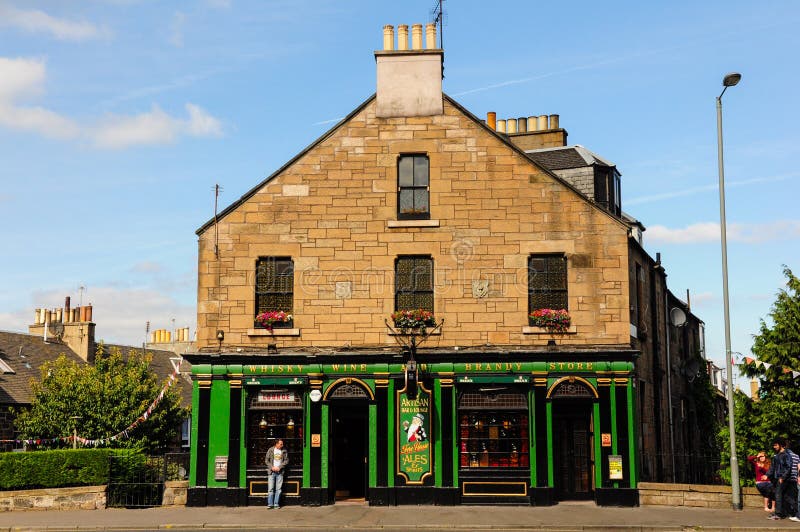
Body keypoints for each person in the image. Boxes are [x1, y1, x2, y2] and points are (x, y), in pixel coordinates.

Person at [768, 437, 793, 520]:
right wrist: (767, 475)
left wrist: (783, 477)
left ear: (780, 445)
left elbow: (788, 467)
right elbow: (772, 467)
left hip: (782, 479)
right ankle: (783, 513)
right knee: (781, 496)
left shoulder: (786, 455)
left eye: (775, 445)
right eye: (773, 445)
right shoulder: (777, 455)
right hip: (777, 479)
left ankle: (778, 514)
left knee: (778, 495)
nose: (774, 447)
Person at [265, 439, 289, 509]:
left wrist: (279, 467)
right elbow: (266, 460)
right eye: (281, 444)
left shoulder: (284, 451)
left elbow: (286, 460)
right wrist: (271, 467)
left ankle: (276, 504)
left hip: (280, 472)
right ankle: (270, 504)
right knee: (270, 488)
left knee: (278, 489)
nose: (282, 445)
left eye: (282, 444)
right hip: (271, 472)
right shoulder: (271, 450)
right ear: (276, 444)